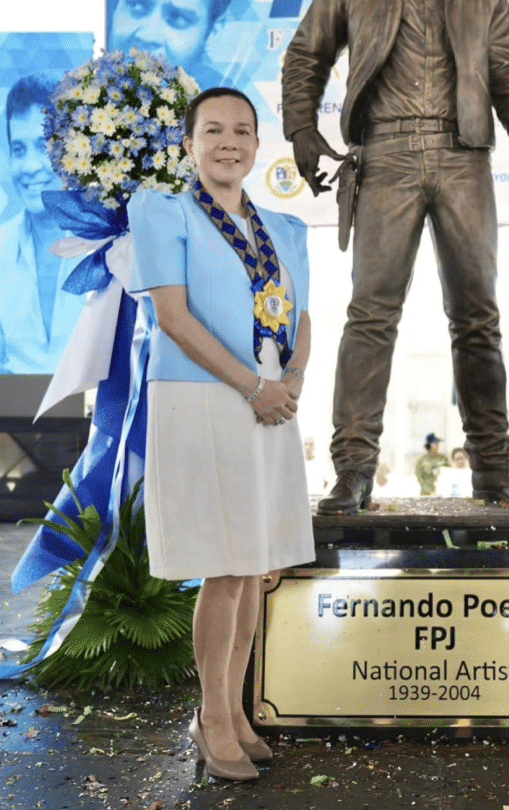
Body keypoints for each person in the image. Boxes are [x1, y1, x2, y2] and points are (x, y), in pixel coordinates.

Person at [282, 0, 509, 513]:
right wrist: (300, 128)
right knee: (370, 314)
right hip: (384, 155)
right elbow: (305, 54)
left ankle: (493, 466)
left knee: (477, 317)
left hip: (464, 156)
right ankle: (351, 470)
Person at [127, 86, 313, 782]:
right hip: (203, 399)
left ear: (258, 145)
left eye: (242, 130)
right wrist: (253, 386)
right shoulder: (164, 210)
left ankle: (233, 711)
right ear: (189, 144)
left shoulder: (285, 230)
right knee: (224, 564)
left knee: (254, 566)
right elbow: (173, 317)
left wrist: (291, 378)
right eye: (213, 130)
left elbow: (304, 319)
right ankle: (211, 716)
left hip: (269, 404)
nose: (228, 141)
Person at [0, 74, 86, 373]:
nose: (30, 167)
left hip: (95, 414)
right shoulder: (1, 246)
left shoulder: (110, 243)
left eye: (44, 146)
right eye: (19, 150)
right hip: (15, 416)